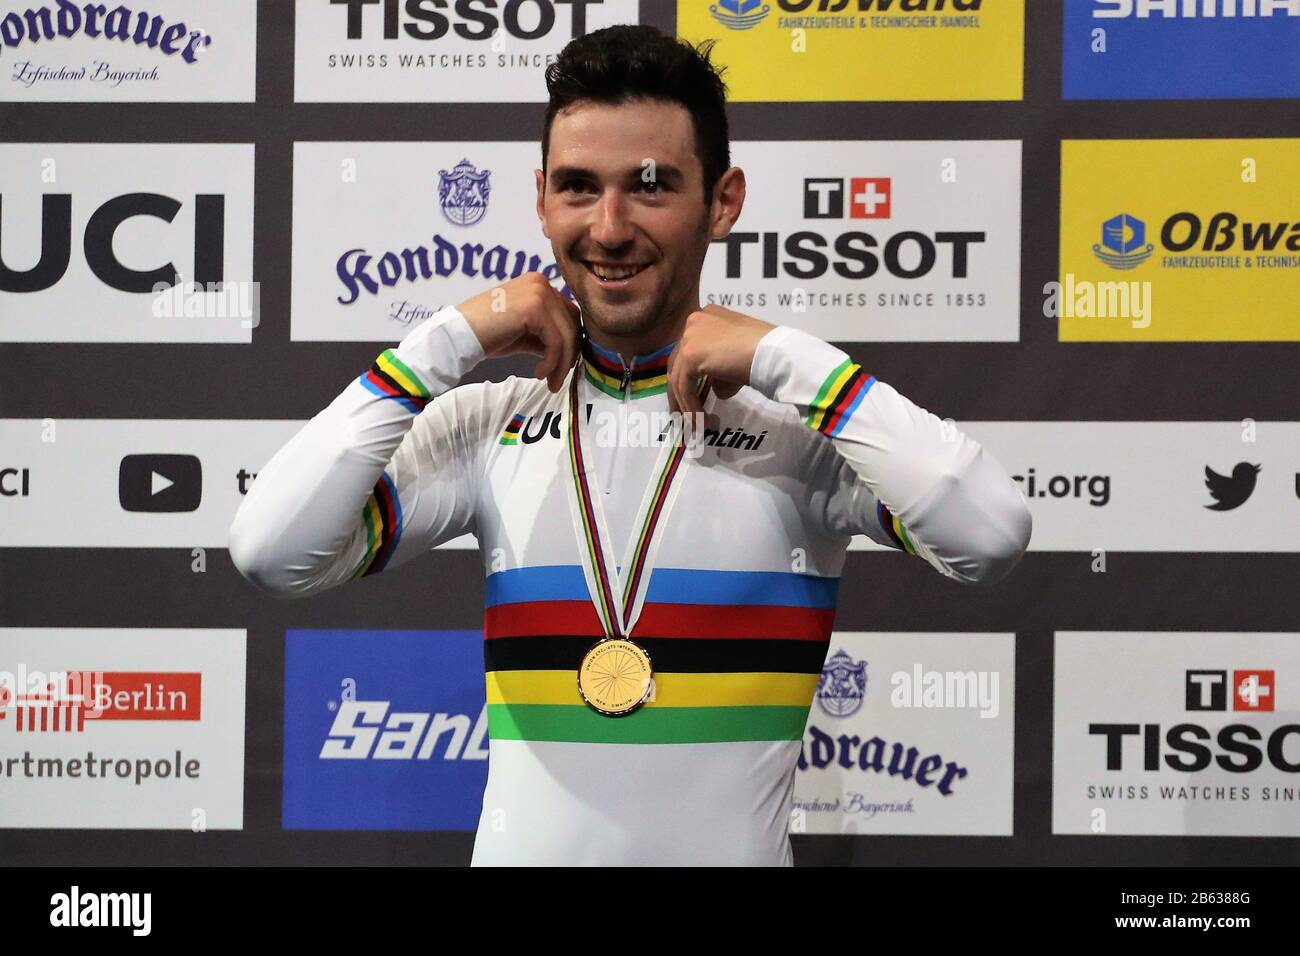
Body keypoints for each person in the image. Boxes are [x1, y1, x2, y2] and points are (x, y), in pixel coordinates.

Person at [228, 24, 1032, 866]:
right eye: (578, 188)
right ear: (541, 201)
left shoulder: (798, 431)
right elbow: (270, 554)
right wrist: (447, 341)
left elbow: (990, 537)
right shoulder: (486, 423)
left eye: (650, 188)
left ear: (723, 201)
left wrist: (781, 357)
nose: (608, 229)